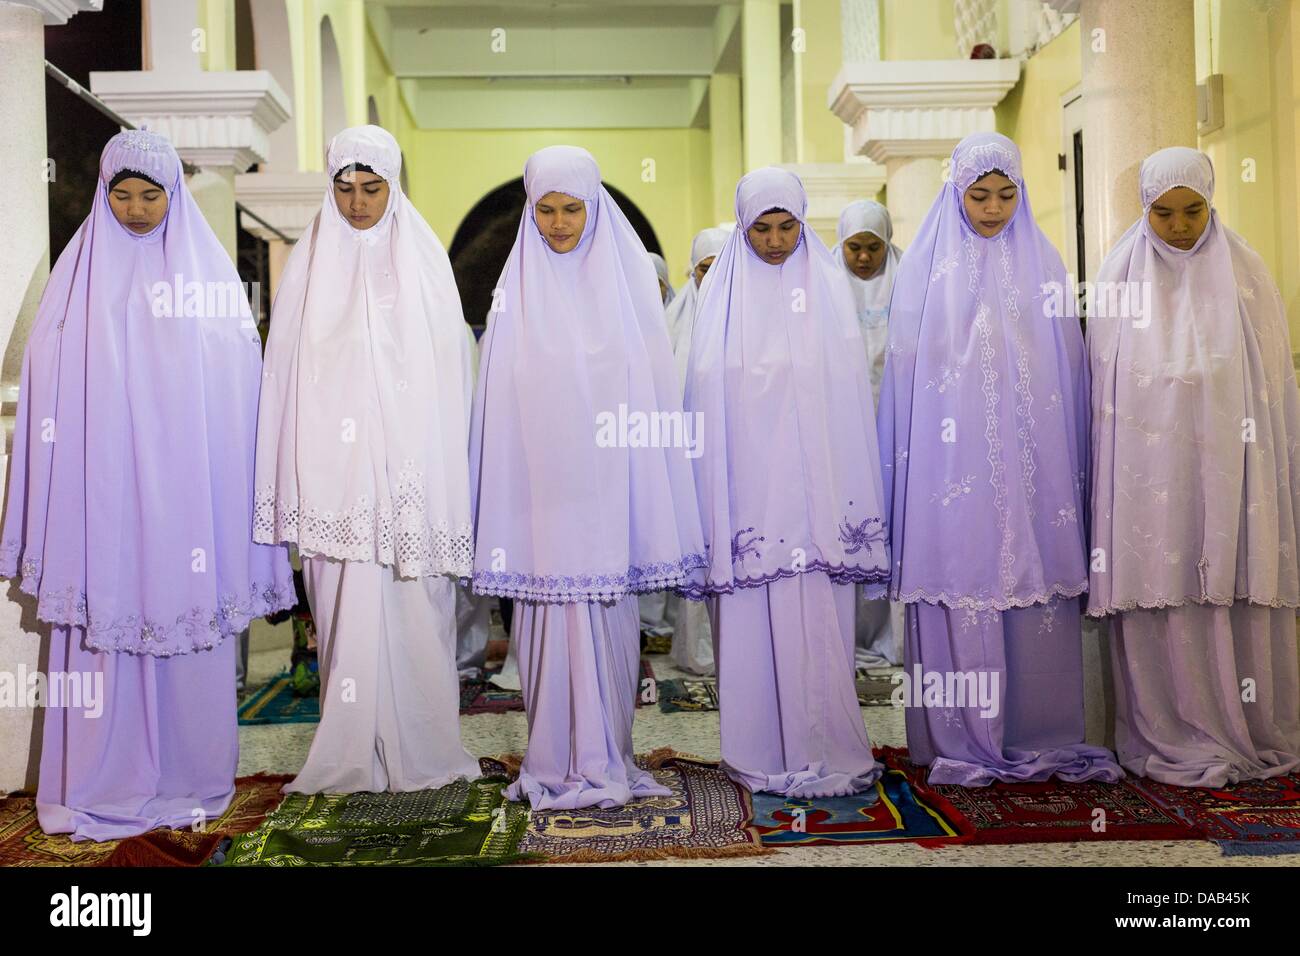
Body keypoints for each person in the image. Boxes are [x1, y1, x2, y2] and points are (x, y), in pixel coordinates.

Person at [0, 128, 295, 841]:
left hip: (186, 503)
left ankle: (190, 778)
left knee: (184, 627)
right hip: (103, 500)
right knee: (105, 632)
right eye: (121, 194)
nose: (135, 209)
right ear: (104, 194)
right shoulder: (78, 284)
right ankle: (100, 782)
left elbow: (236, 398)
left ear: (174, 195)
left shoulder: (211, 285)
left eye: (150, 195)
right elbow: (48, 389)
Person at [878, 131, 1121, 786]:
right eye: (979, 195)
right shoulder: (925, 273)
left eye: (1006, 194)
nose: (992, 208)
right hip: (948, 472)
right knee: (959, 582)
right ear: (956, 195)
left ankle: (1035, 732)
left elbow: (1066, 374)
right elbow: (908, 385)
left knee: (1033, 584)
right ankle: (958, 736)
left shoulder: (1043, 267)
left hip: (1031, 465)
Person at [470, 145, 705, 810]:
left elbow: (650, 406)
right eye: (545, 209)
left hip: (605, 505)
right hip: (542, 505)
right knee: (544, 633)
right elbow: (497, 411)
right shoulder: (514, 297)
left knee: (606, 628)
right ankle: (551, 759)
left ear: (594, 209)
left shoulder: (628, 300)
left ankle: (607, 757)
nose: (559, 221)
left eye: (572, 208)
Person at [254, 125, 480, 794]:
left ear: (393, 184)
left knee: (417, 615)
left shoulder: (426, 263)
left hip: (410, 481)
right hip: (336, 484)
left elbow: (449, 384)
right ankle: (350, 754)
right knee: (346, 619)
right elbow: (285, 382)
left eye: (371, 188)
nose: (357, 203)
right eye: (344, 188)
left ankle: (427, 750)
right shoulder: (308, 266)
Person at [1087, 146, 1300, 787]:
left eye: (1191, 211)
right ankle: (1168, 727)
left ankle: (1249, 724)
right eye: (1162, 213)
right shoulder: (1118, 278)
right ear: (1142, 209)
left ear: (1211, 204)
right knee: (1163, 587)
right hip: (1149, 474)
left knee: (1229, 579)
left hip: (1231, 468)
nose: (1178, 226)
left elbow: (1272, 387)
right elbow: (1100, 390)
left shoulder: (1247, 274)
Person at [683, 167, 887, 798]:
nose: (774, 241)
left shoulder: (826, 294)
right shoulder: (721, 301)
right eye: (761, 229)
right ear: (743, 229)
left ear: (804, 225)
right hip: (749, 505)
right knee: (749, 629)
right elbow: (703, 409)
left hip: (814, 507)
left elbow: (847, 409)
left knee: (815, 629)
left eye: (786, 226)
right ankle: (756, 753)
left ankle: (824, 746)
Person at [833, 200, 905, 669]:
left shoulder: (909, 284)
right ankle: (843, 638)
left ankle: (888, 636)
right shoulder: (822, 289)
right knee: (847, 535)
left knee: (891, 536)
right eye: (853, 248)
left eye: (872, 248)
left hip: (897, 435)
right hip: (841, 441)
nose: (863, 258)